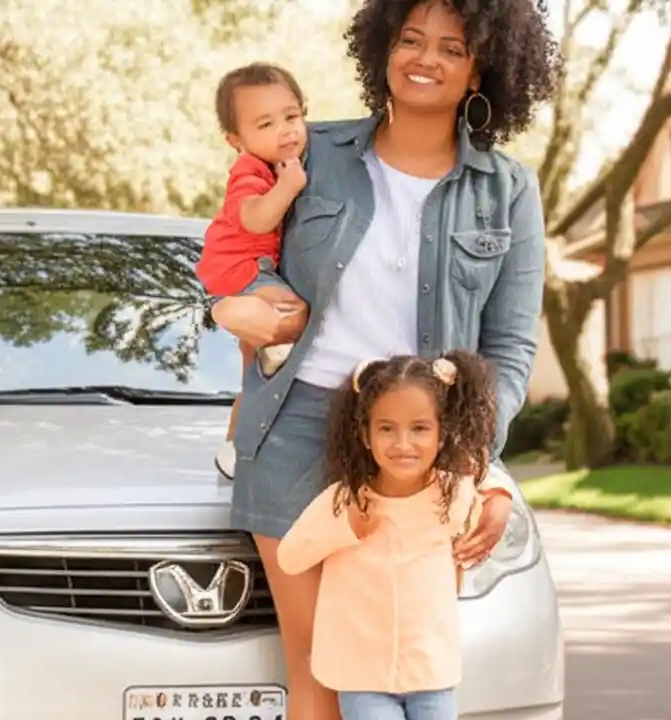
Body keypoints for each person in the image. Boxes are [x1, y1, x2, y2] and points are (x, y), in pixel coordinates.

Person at [223, 1, 562, 718]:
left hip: (420, 449)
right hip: (296, 428)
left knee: (410, 671)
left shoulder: (508, 191)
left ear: (481, 70)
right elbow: (239, 252)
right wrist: (247, 306)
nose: (425, 59)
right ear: (383, 46)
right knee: (319, 670)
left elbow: (508, 349)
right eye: (410, 39)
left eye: (451, 48)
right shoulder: (309, 153)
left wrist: (477, 460)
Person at [278, 351, 503, 720]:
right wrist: (345, 527)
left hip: (431, 674)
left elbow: (482, 482)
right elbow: (290, 556)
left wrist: (500, 497)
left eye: (419, 428)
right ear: (365, 435)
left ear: (441, 434)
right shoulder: (344, 500)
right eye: (387, 429)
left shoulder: (455, 494)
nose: (402, 444)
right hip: (361, 678)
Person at [194, 63, 312, 480]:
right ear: (236, 140)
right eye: (266, 124)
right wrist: (288, 187)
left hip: (249, 270)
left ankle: (234, 446)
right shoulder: (250, 170)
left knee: (255, 376)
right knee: (293, 312)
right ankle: (229, 311)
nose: (285, 131)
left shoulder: (278, 163)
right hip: (240, 267)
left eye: (292, 116)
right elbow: (256, 219)